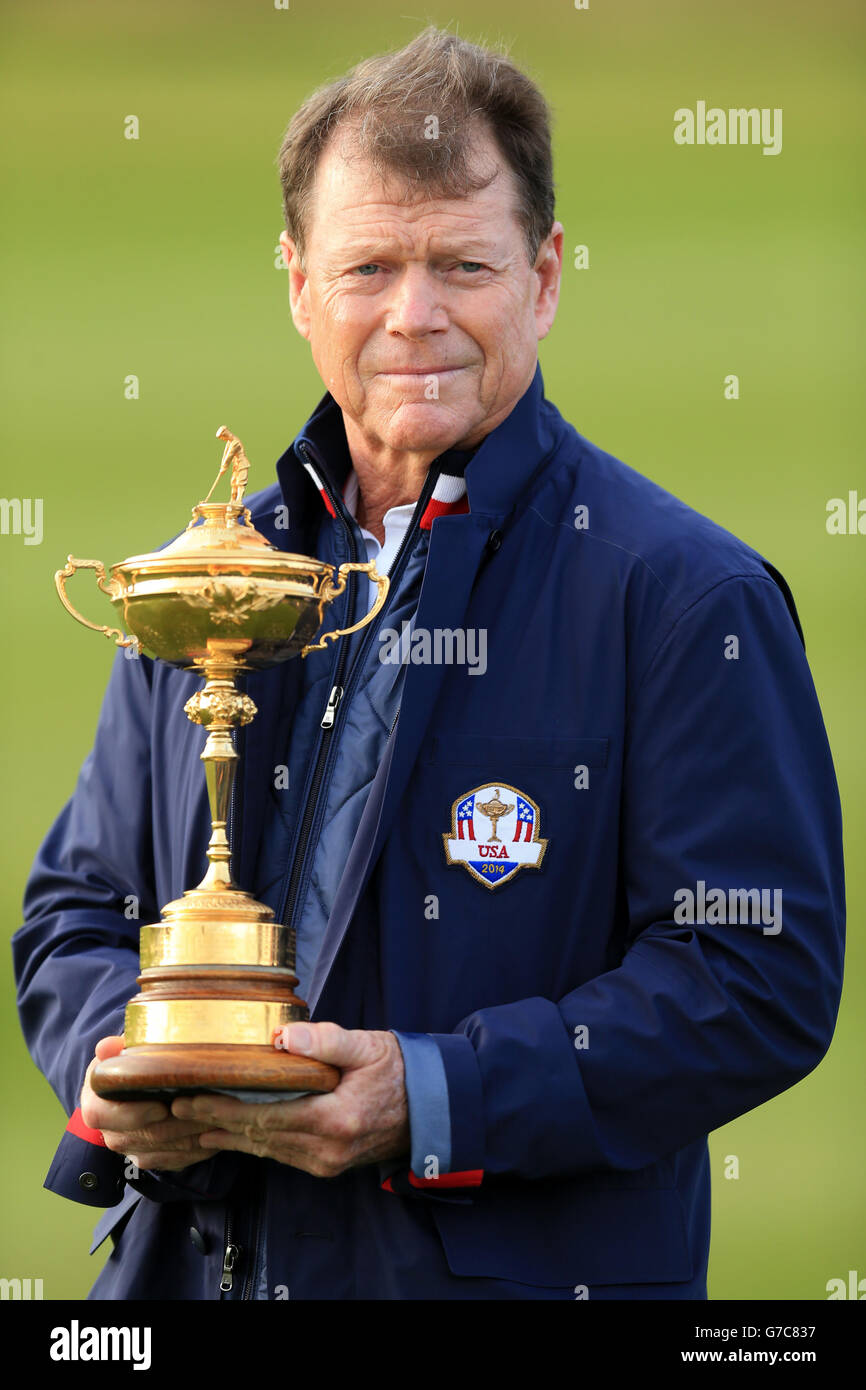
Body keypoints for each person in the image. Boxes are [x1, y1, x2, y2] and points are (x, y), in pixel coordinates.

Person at [14, 27, 845, 1301]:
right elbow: (73, 914)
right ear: (296, 283)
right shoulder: (214, 578)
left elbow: (756, 974)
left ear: (545, 277)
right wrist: (120, 1067)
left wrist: (439, 1093)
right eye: (368, 265)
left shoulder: (684, 595)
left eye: (462, 263)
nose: (414, 315)